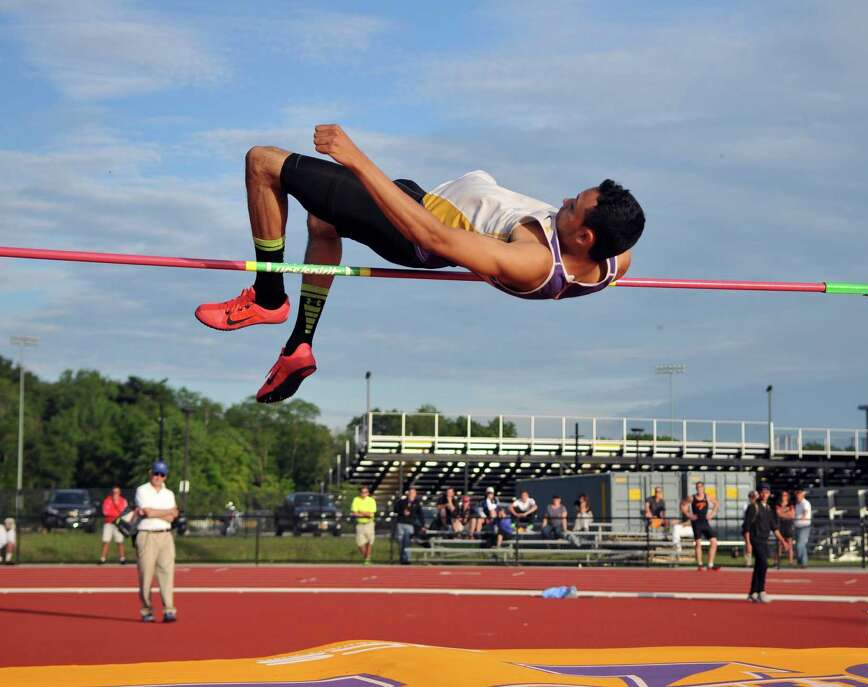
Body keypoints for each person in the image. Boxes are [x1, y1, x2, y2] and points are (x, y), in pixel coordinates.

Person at [194, 127, 645, 403]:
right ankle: (299, 346)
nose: (563, 201)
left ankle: (268, 297)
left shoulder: (530, 262)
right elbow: (622, 233)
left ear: (584, 238)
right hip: (427, 198)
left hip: (413, 228)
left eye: (572, 208)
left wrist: (356, 157)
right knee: (322, 221)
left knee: (263, 163)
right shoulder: (615, 257)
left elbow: (431, 236)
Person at [134, 461, 179, 622]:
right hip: (147, 535)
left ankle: (169, 610)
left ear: (165, 476)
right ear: (150, 473)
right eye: (156, 473)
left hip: (166, 535)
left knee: (167, 573)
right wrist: (166, 512)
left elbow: (173, 516)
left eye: (162, 474)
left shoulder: (169, 494)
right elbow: (147, 512)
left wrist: (156, 513)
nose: (158, 477)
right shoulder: (142, 490)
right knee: (146, 574)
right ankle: (146, 610)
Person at [743, 482, 787, 603]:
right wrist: (748, 544)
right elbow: (746, 527)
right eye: (762, 492)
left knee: (759, 566)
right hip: (755, 540)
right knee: (764, 564)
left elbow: (774, 528)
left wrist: (783, 541)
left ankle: (753, 592)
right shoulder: (753, 507)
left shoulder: (768, 509)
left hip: (764, 540)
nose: (764, 494)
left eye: (766, 492)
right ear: (758, 493)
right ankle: (761, 591)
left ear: (769, 494)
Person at [683, 481, 720, 571]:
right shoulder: (692, 498)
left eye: (700, 487)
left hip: (705, 522)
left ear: (703, 488)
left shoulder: (707, 496)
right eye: (697, 487)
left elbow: (716, 503)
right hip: (696, 522)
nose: (699, 489)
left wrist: (711, 514)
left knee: (714, 542)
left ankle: (710, 564)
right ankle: (700, 564)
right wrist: (689, 515)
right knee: (698, 543)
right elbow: (683, 505)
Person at [393, 487, 425, 565]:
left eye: (413, 493)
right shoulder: (402, 501)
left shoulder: (416, 503)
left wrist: (422, 525)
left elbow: (420, 514)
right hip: (401, 523)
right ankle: (402, 558)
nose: (411, 495)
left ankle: (407, 559)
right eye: (410, 493)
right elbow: (395, 509)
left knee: (407, 542)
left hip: (410, 524)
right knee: (401, 542)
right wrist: (402, 511)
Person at [99, 485, 128, 565]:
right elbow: (105, 512)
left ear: (119, 492)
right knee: (106, 541)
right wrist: (116, 514)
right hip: (108, 523)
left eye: (117, 492)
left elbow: (124, 512)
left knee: (120, 541)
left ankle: (122, 558)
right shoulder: (107, 500)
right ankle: (102, 559)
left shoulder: (123, 501)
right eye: (114, 492)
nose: (115, 493)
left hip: (118, 524)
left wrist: (116, 506)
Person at [349, 485, 377, 564]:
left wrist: (361, 512)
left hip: (369, 523)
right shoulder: (356, 500)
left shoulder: (371, 500)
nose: (364, 494)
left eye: (366, 492)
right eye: (362, 492)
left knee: (369, 542)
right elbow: (354, 513)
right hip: (360, 524)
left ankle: (367, 559)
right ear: (360, 493)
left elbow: (370, 514)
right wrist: (363, 514)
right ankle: (366, 557)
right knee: (360, 543)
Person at [774, 490, 795, 568]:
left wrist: (783, 513)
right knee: (779, 544)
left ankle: (790, 562)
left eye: (785, 495)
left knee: (790, 544)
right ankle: (777, 561)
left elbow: (792, 515)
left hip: (788, 525)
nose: (784, 497)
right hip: (780, 525)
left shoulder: (791, 505)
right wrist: (786, 513)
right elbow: (778, 514)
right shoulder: (778, 504)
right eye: (783, 495)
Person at [793, 486, 813, 568]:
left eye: (799, 494)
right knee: (800, 545)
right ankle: (802, 562)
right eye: (797, 494)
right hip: (797, 526)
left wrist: (799, 518)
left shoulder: (805, 503)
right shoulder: (797, 504)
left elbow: (805, 512)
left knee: (799, 545)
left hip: (804, 526)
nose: (798, 495)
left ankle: (802, 562)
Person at [742, 490, 758, 567]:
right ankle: (748, 562)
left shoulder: (758, 505)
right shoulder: (746, 505)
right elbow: (747, 518)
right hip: (748, 526)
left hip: (756, 528)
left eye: (754, 497)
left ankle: (756, 561)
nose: (753, 498)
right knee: (748, 544)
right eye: (751, 497)